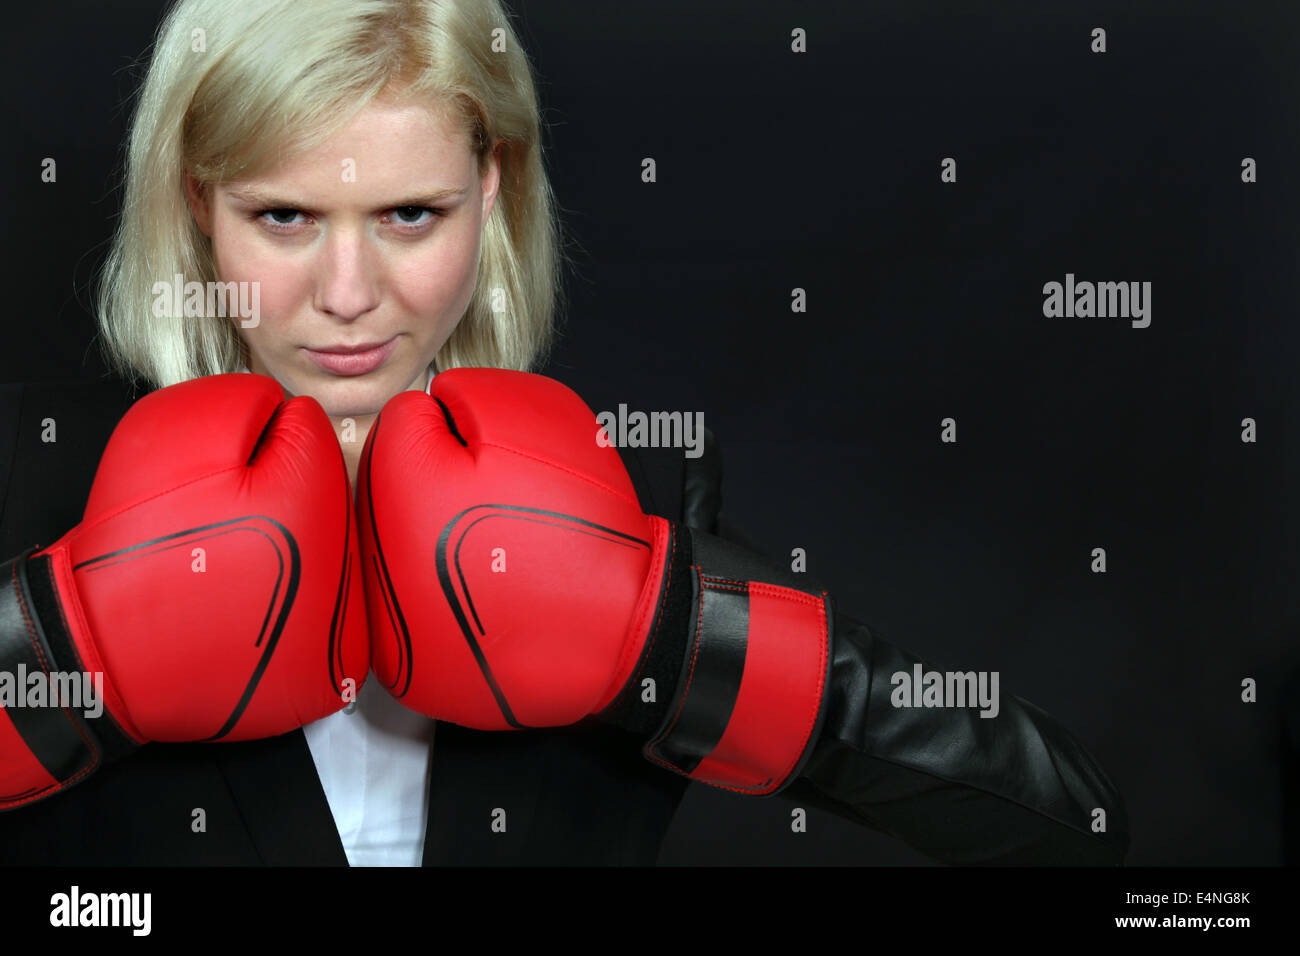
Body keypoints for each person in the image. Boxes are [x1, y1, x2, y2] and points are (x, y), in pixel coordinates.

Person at [0, 0, 1128, 866]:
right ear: (198, 203)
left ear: (492, 191)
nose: (346, 293)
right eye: (283, 215)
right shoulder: (44, 487)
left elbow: (1068, 820)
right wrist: (56, 655)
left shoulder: (628, 481)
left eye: (409, 213)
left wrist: (670, 641)